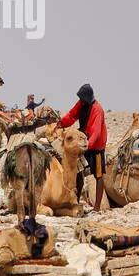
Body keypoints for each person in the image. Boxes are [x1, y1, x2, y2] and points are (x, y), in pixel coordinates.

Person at [58, 83, 108, 211]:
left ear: (87, 98)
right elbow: (72, 115)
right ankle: (76, 202)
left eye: (82, 98)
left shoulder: (97, 109)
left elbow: (96, 132)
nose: (80, 100)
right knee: (78, 173)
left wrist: (87, 146)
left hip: (95, 146)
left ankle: (97, 207)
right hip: (82, 142)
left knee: (98, 175)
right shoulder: (81, 104)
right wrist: (61, 123)